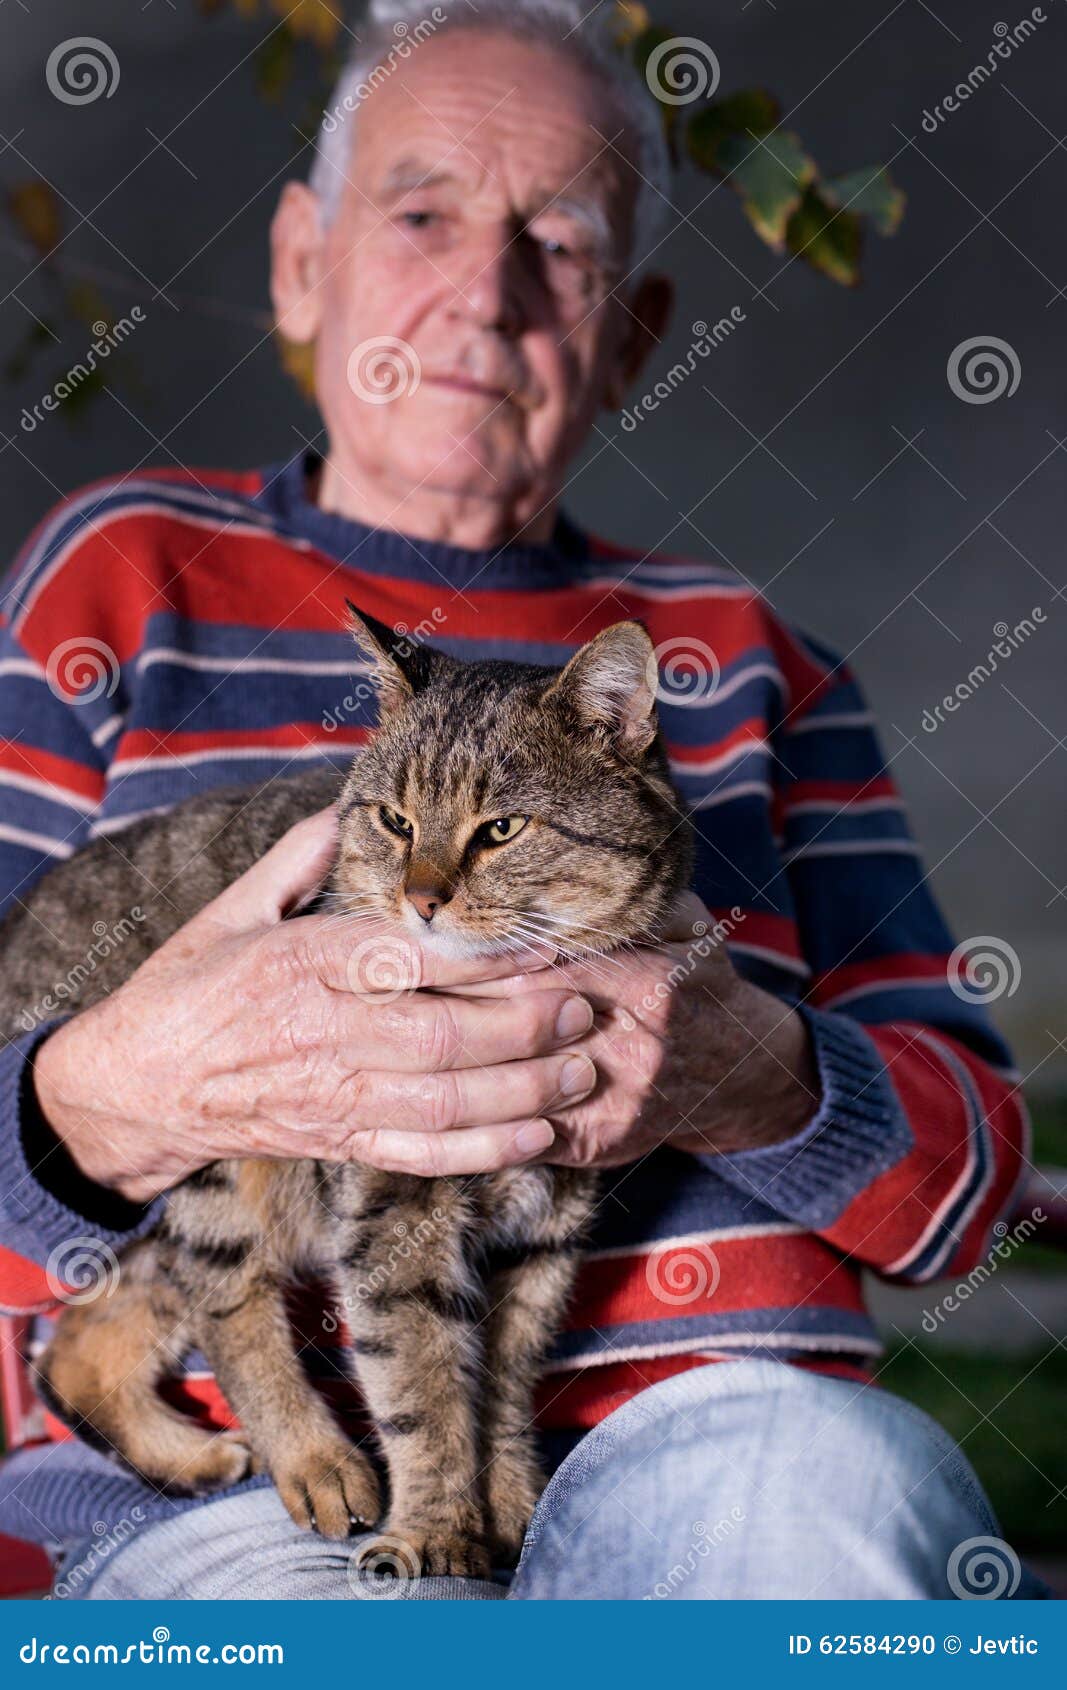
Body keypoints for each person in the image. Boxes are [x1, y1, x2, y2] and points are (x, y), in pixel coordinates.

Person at [0, 1, 1037, 1600]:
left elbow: (973, 1194)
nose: (480, 297)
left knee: (828, 1517)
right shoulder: (122, 576)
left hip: (718, 1438)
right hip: (247, 1503)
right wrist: (114, 1086)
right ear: (301, 263)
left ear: (634, 329)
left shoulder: (760, 660)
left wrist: (760, 1071)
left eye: (557, 244)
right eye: (422, 215)